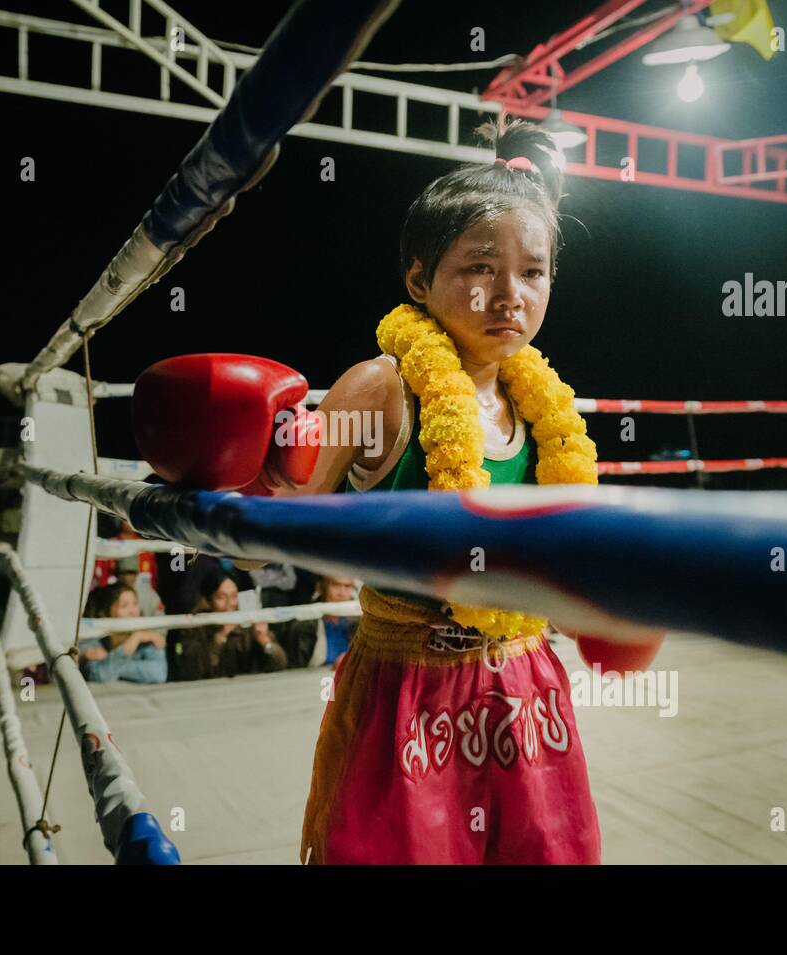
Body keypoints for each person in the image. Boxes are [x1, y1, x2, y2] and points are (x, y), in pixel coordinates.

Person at [286, 118, 602, 864]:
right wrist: (241, 458)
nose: (509, 295)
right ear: (419, 279)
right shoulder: (384, 387)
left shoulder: (543, 409)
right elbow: (290, 518)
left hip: (525, 680)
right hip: (406, 681)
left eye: (533, 271)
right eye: (481, 267)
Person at [171, 570, 287, 681]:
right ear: (207, 600)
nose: (229, 604)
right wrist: (218, 639)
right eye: (221, 597)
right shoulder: (194, 627)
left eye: (234, 596)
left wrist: (265, 641)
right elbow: (191, 673)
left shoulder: (248, 623)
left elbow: (280, 665)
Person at [79, 584, 167, 685]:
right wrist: (131, 644)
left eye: (135, 604)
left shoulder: (147, 636)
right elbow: (97, 675)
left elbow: (159, 673)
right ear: (105, 613)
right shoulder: (93, 638)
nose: (133, 611)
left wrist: (108, 659)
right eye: (124, 606)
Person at [276, 575, 359, 668]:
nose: (342, 593)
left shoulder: (360, 622)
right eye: (336, 585)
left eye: (347, 586)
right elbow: (292, 669)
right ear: (320, 587)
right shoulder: (302, 626)